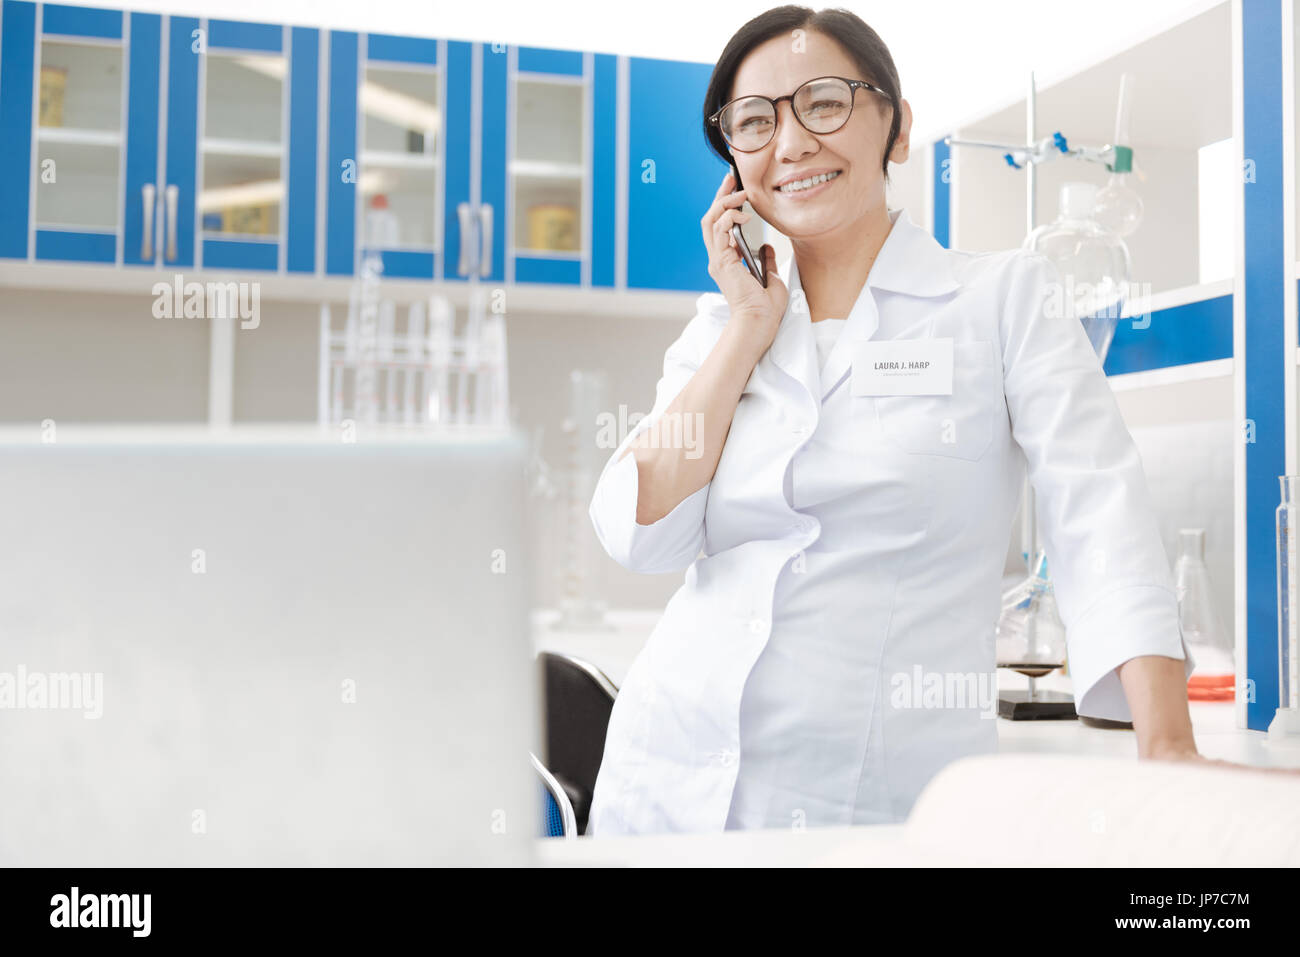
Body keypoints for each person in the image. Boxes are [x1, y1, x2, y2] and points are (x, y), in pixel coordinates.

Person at [584, 5, 1211, 835]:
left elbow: (1100, 512)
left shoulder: (1002, 298)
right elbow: (640, 530)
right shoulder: (721, 327)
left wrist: (1167, 745)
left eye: (826, 103)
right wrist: (747, 328)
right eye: (754, 121)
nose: (793, 142)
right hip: (663, 786)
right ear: (735, 167)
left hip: (871, 803)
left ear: (898, 125)